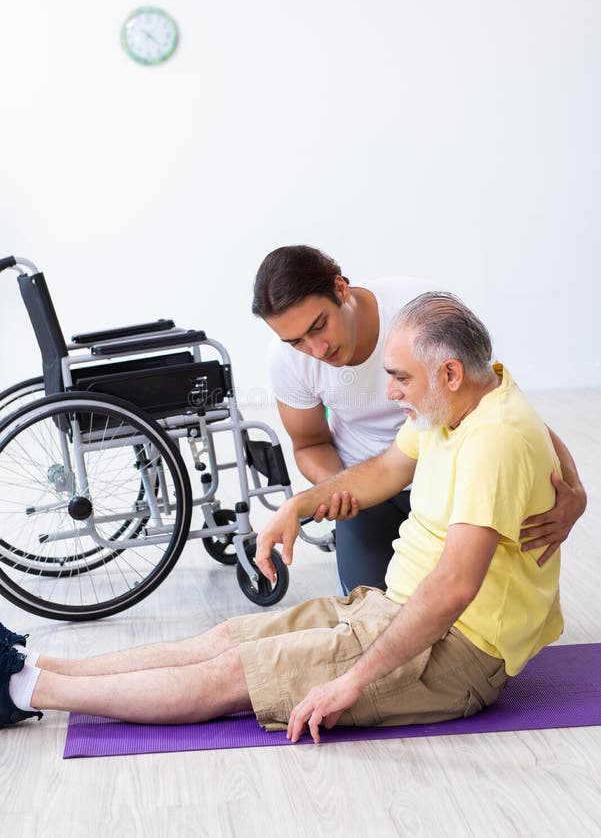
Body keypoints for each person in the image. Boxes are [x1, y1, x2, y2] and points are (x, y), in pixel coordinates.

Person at [0, 293, 568, 743]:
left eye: (401, 379)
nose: (391, 393)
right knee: (223, 639)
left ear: (448, 374)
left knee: (227, 676)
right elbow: (382, 472)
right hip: (392, 609)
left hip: (452, 652)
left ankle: (22, 691)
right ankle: (39, 663)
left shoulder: (492, 440)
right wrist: (297, 505)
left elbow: (452, 589)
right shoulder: (462, 396)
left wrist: (348, 682)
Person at [252, 245, 586, 592]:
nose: (316, 350)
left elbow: (500, 402)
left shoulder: (420, 311)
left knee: (466, 605)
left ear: (340, 289)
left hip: (449, 475)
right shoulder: (286, 361)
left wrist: (575, 488)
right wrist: (343, 490)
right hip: (370, 485)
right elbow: (310, 444)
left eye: (319, 326)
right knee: (372, 605)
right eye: (297, 342)